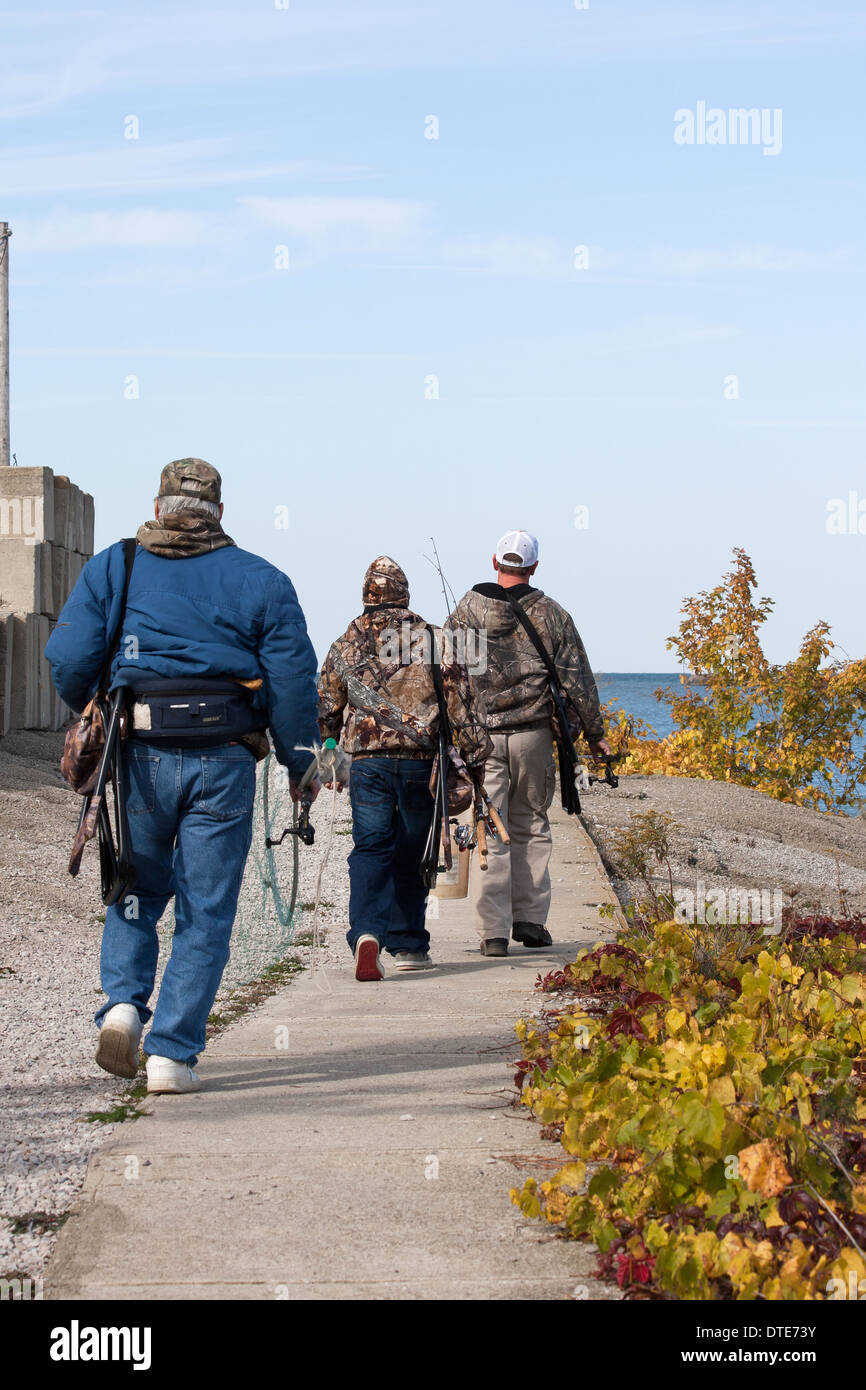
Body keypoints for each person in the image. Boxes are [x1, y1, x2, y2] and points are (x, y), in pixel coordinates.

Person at [45, 459, 319, 1093]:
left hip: (138, 756)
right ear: (219, 513)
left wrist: (98, 703)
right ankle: (171, 1055)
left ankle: (122, 1006)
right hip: (223, 758)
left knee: (133, 887)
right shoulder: (262, 579)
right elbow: (292, 687)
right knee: (207, 910)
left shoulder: (117, 565)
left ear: (160, 504)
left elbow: (66, 658)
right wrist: (299, 762)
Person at [318, 555, 491, 980]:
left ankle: (366, 934)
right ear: (405, 594)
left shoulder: (345, 642)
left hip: (366, 762)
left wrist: (328, 759)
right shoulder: (435, 639)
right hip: (420, 764)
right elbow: (461, 704)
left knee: (371, 846)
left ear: (366, 596)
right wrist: (475, 757)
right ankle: (409, 943)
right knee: (415, 850)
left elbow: (325, 707)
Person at [446, 529, 609, 957]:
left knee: (489, 827)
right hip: (534, 735)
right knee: (533, 824)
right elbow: (578, 682)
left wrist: (446, 733)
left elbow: (447, 673)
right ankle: (531, 920)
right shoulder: (552, 613)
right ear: (533, 567)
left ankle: (493, 933)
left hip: (481, 737)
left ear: (493, 561)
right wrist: (596, 735)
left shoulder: (466, 610)